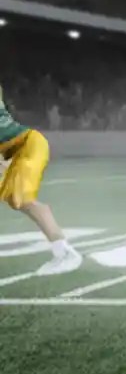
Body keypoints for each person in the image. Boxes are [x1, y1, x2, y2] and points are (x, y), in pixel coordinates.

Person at [0, 82, 81, 275]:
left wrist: (3, 164)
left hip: (27, 146)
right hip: (18, 148)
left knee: (21, 199)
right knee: (17, 200)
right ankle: (62, 250)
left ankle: (65, 253)